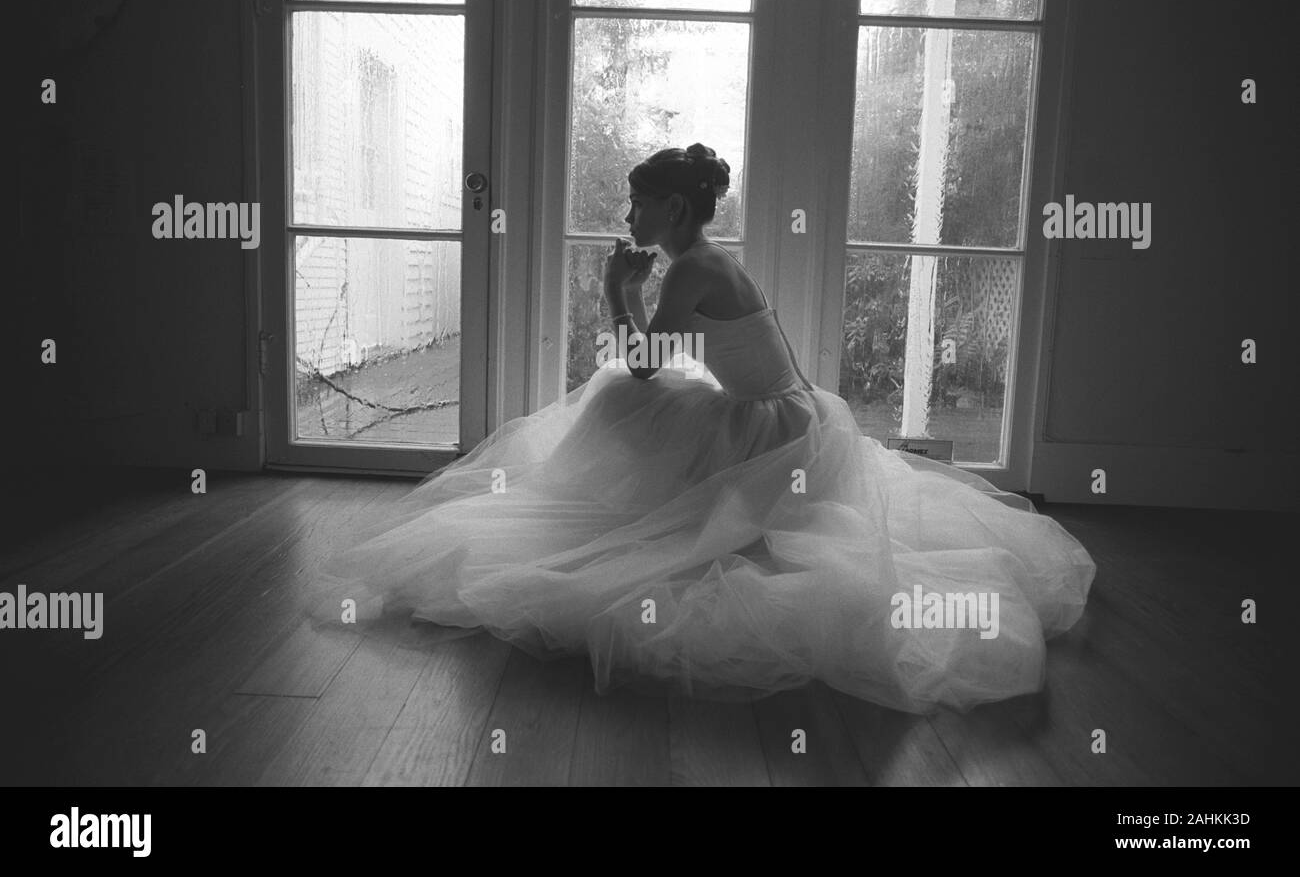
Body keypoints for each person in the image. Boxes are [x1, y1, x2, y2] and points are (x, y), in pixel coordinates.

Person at [308, 143, 1095, 714]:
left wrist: (618, 288)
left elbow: (646, 359)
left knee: (623, 395)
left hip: (774, 432)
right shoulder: (701, 260)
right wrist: (634, 297)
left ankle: (637, 520)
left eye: (636, 205)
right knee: (623, 398)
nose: (627, 216)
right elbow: (666, 358)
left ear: (673, 211)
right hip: (787, 414)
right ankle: (643, 512)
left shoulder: (691, 267)